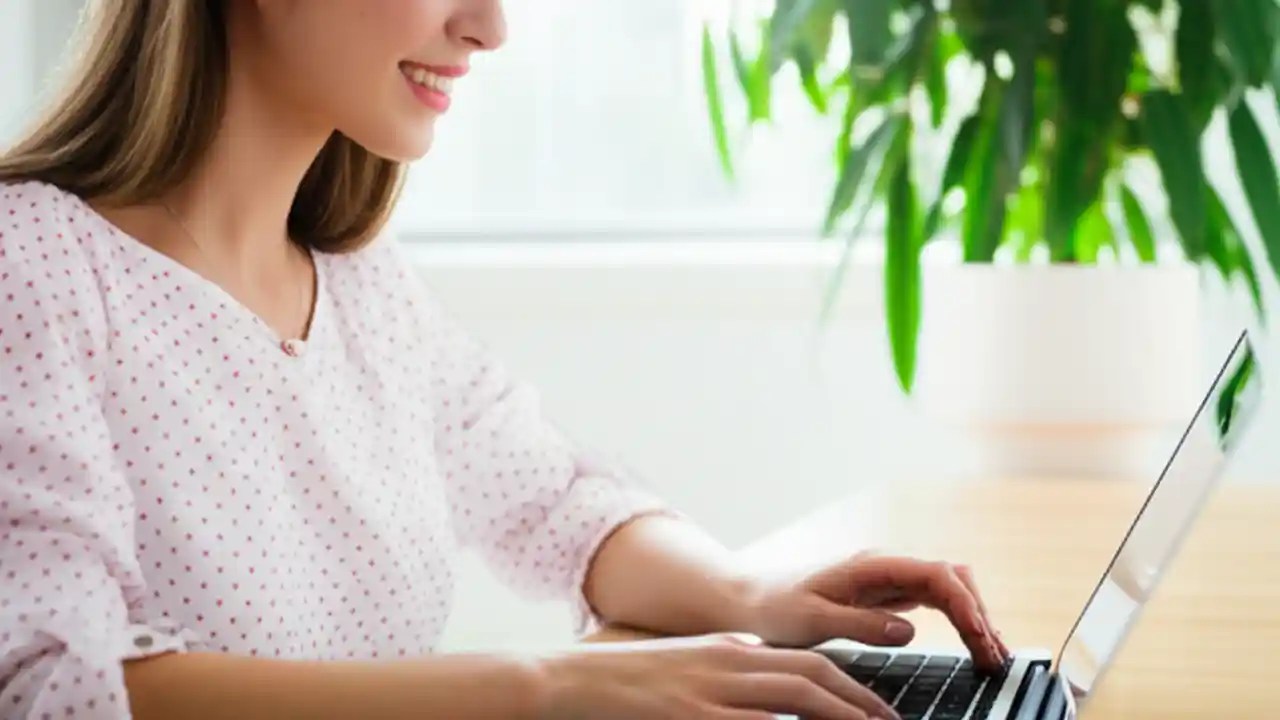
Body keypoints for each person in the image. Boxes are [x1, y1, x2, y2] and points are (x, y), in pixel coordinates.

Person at [0, 2, 1009, 718]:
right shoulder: (34, 264)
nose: (489, 25)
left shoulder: (359, 283)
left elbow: (557, 503)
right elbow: (58, 689)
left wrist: (757, 598)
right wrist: (542, 688)